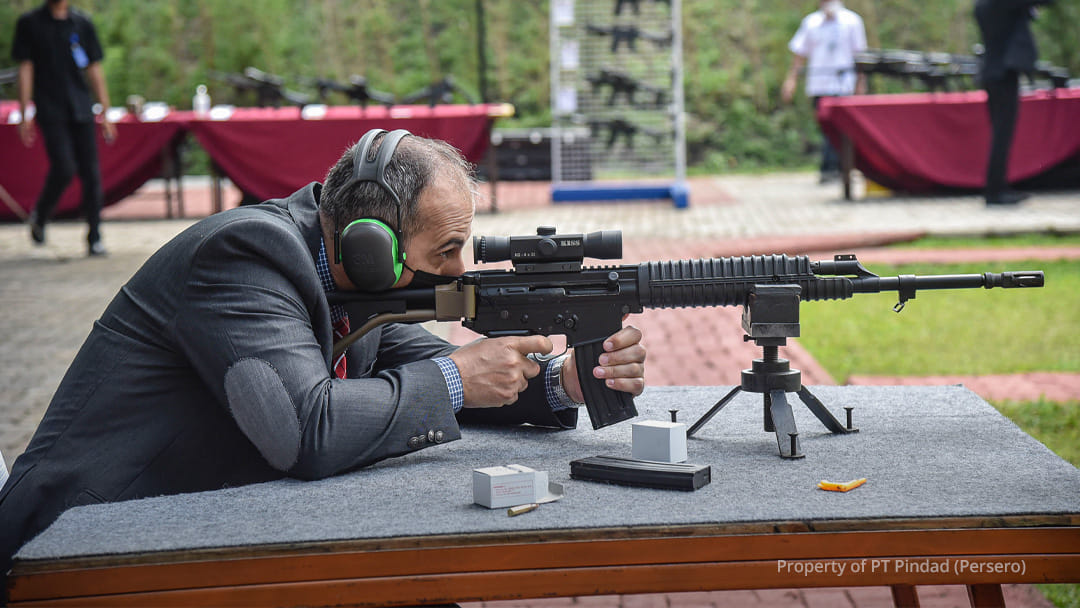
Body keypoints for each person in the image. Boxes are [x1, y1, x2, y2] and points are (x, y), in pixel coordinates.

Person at [0, 130, 648, 583]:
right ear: (372, 246)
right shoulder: (245, 256)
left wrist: (562, 381)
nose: (459, 269)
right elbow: (304, 430)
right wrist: (457, 376)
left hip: (191, 525)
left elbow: (421, 371)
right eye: (446, 249)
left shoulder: (351, 280)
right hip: (80, 539)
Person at [11, 0, 116, 256]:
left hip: (80, 107)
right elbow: (25, 69)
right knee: (65, 167)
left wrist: (106, 110)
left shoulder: (82, 23)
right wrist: (25, 112)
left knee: (91, 173)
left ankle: (95, 236)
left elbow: (94, 68)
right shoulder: (30, 24)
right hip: (50, 109)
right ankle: (41, 214)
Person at [974, 0, 1054, 206]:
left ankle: (998, 188)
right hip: (1003, 73)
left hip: (992, 71)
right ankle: (995, 191)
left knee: (1000, 133)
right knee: (1002, 134)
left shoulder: (983, 5)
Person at [781, 0, 867, 184]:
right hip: (819, 84)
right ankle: (831, 167)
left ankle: (834, 167)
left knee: (842, 126)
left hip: (844, 84)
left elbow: (860, 55)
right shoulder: (811, 22)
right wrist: (791, 80)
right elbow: (799, 53)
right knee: (825, 126)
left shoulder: (852, 21)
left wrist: (861, 83)